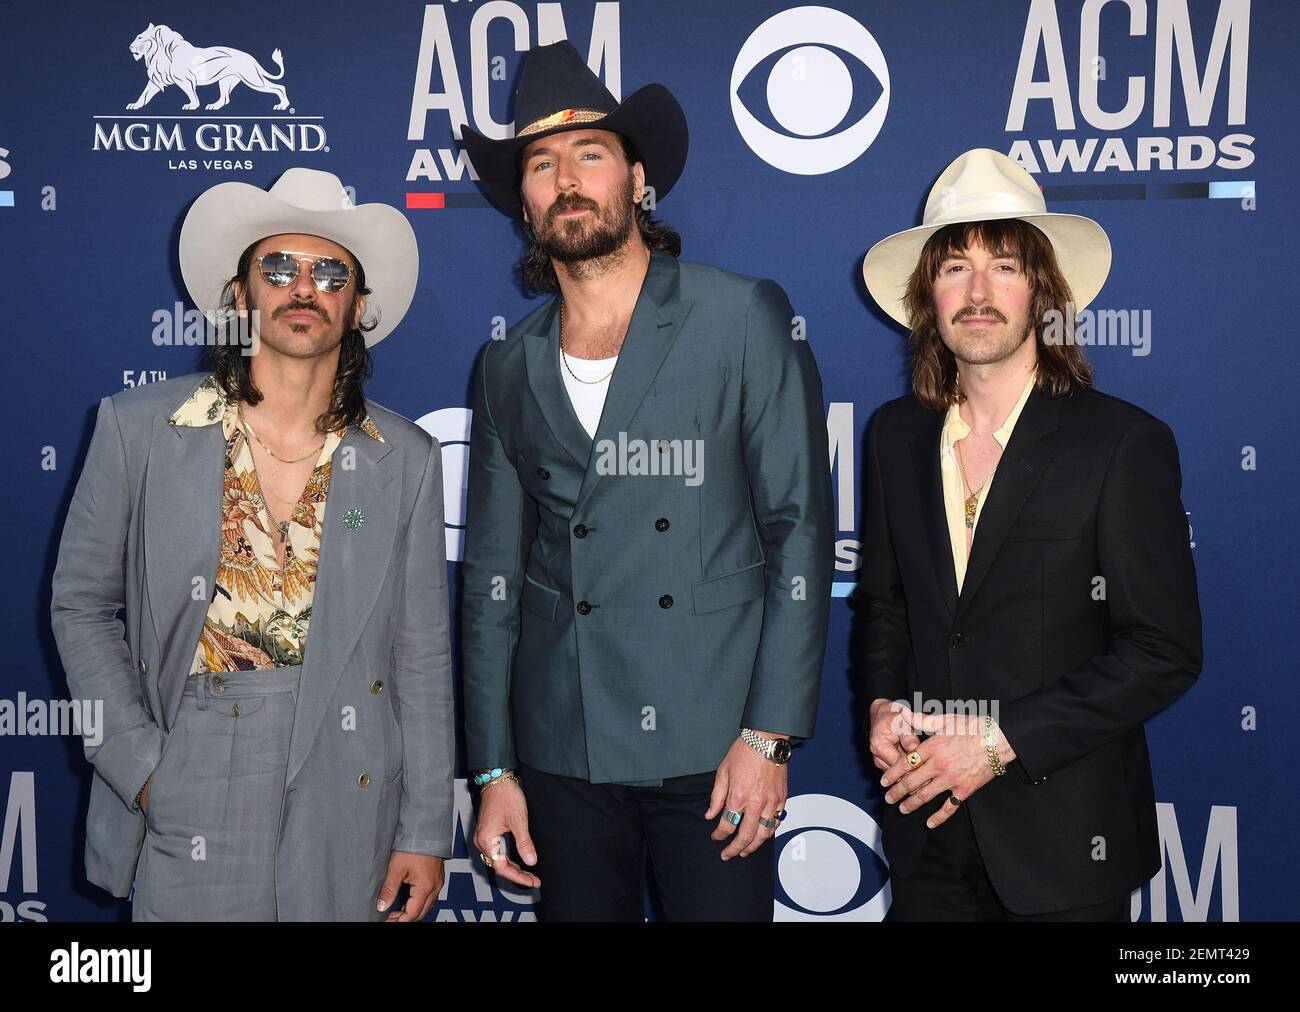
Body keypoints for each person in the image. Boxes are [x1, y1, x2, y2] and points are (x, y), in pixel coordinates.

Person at [459, 41, 834, 921]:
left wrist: (769, 737)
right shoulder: (506, 362)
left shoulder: (739, 316)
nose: (567, 179)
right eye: (541, 165)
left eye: (590, 154)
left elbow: (799, 532)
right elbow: (490, 583)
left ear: (636, 179)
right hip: (563, 744)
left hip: (714, 741)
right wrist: (493, 768)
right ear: (523, 202)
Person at [51, 167, 455, 921]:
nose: (304, 287)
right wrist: (140, 765)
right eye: (279, 268)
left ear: (358, 307)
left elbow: (421, 652)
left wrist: (427, 827)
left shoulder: (406, 457)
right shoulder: (138, 428)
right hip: (191, 765)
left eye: (330, 272)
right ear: (240, 295)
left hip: (350, 781)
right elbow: (81, 606)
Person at [857, 148, 1202, 921]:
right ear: (926, 295)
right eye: (954, 268)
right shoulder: (894, 437)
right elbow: (882, 604)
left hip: (1066, 846)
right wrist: (881, 705)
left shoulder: (1120, 444)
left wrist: (997, 741)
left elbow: (1163, 651)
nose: (977, 293)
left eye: (1004, 266)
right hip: (928, 832)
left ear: (1044, 292)